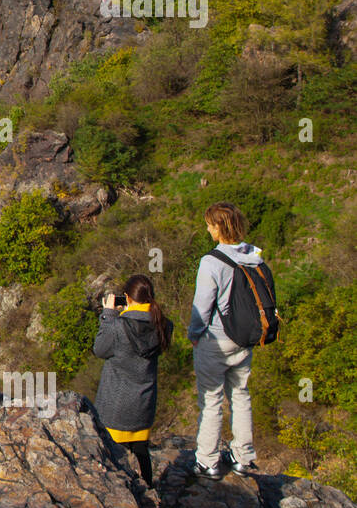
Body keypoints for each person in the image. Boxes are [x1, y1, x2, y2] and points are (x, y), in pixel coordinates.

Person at [188, 202, 269, 481]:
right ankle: (242, 457)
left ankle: (207, 460)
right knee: (241, 396)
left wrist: (194, 335)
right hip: (244, 340)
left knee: (211, 401)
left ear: (219, 227)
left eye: (210, 224)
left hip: (216, 341)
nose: (208, 228)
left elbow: (202, 306)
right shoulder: (254, 255)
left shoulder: (211, 262)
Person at [93, 274, 173, 488]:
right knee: (140, 450)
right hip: (143, 405)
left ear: (127, 298)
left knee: (110, 456)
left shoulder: (119, 326)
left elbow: (100, 349)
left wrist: (109, 314)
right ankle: (149, 489)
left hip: (114, 406)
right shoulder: (164, 325)